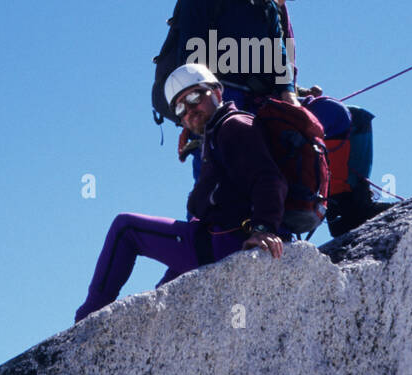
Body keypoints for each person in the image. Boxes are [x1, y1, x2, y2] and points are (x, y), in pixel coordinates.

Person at [75, 63, 287, 323]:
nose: (189, 110)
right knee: (163, 295)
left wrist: (264, 228)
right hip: (217, 237)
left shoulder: (234, 126)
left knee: (125, 229)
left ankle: (86, 320)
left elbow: (267, 177)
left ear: (218, 93)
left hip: (224, 242)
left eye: (195, 97)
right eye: (179, 108)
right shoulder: (217, 133)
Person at [258, 0, 387, 237]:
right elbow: (258, 67)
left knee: (358, 118)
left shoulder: (279, 9)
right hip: (269, 105)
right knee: (337, 115)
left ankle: (351, 203)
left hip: (281, 97)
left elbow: (272, 67)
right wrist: (289, 94)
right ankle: (343, 209)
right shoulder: (263, 9)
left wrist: (300, 89)